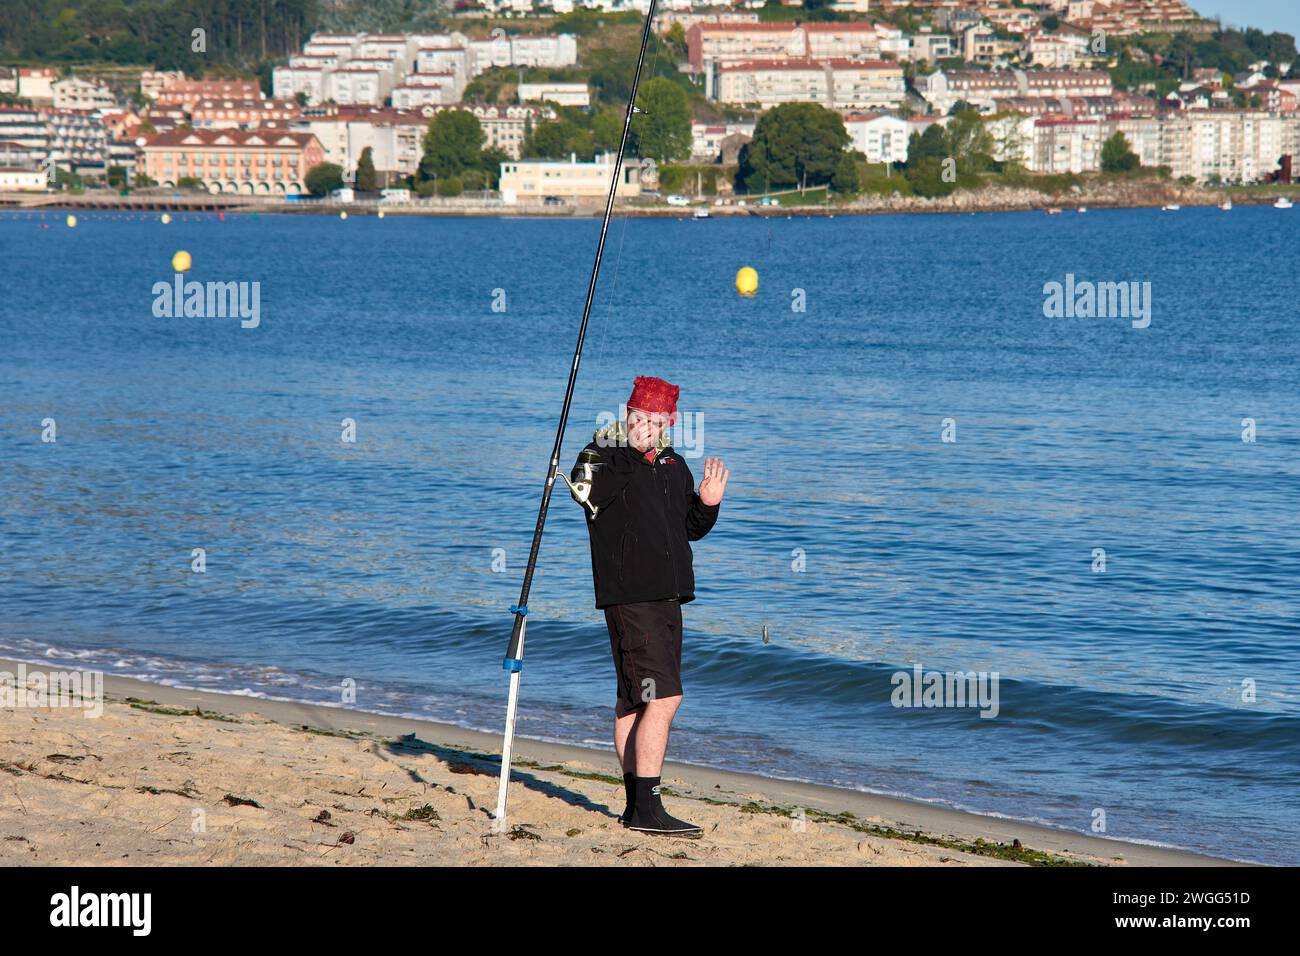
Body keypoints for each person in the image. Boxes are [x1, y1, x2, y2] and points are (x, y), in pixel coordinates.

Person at [565, 375, 728, 837]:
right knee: (665, 696)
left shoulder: (674, 462)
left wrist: (709, 506)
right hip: (628, 594)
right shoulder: (601, 451)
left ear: (669, 421)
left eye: (657, 420)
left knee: (635, 702)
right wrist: (630, 454)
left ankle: (636, 806)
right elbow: (587, 495)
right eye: (640, 417)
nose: (647, 427)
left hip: (668, 597)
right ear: (628, 413)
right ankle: (648, 807)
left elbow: (686, 530)